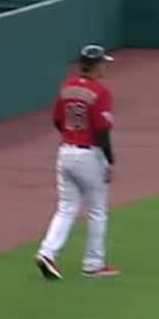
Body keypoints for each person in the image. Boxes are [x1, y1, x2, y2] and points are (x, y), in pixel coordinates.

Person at [35, 44, 120, 281]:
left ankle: (47, 252)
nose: (105, 67)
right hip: (89, 154)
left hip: (66, 151)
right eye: (103, 63)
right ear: (93, 66)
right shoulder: (100, 92)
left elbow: (57, 120)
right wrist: (109, 160)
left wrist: (71, 136)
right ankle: (93, 264)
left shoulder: (67, 87)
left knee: (66, 208)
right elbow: (102, 130)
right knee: (96, 211)